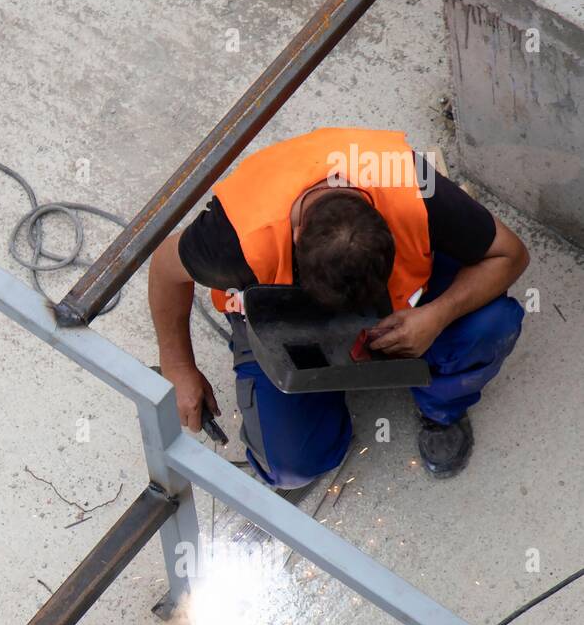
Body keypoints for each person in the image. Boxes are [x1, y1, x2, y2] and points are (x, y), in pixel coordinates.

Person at [148, 128, 529, 486]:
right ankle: (316, 421)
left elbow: (510, 255)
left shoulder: (411, 188)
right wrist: (178, 366)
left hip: (405, 293)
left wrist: (436, 314)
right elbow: (166, 268)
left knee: (492, 324)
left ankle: (441, 408)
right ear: (295, 236)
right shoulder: (236, 239)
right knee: (291, 466)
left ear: (387, 229)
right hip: (279, 317)